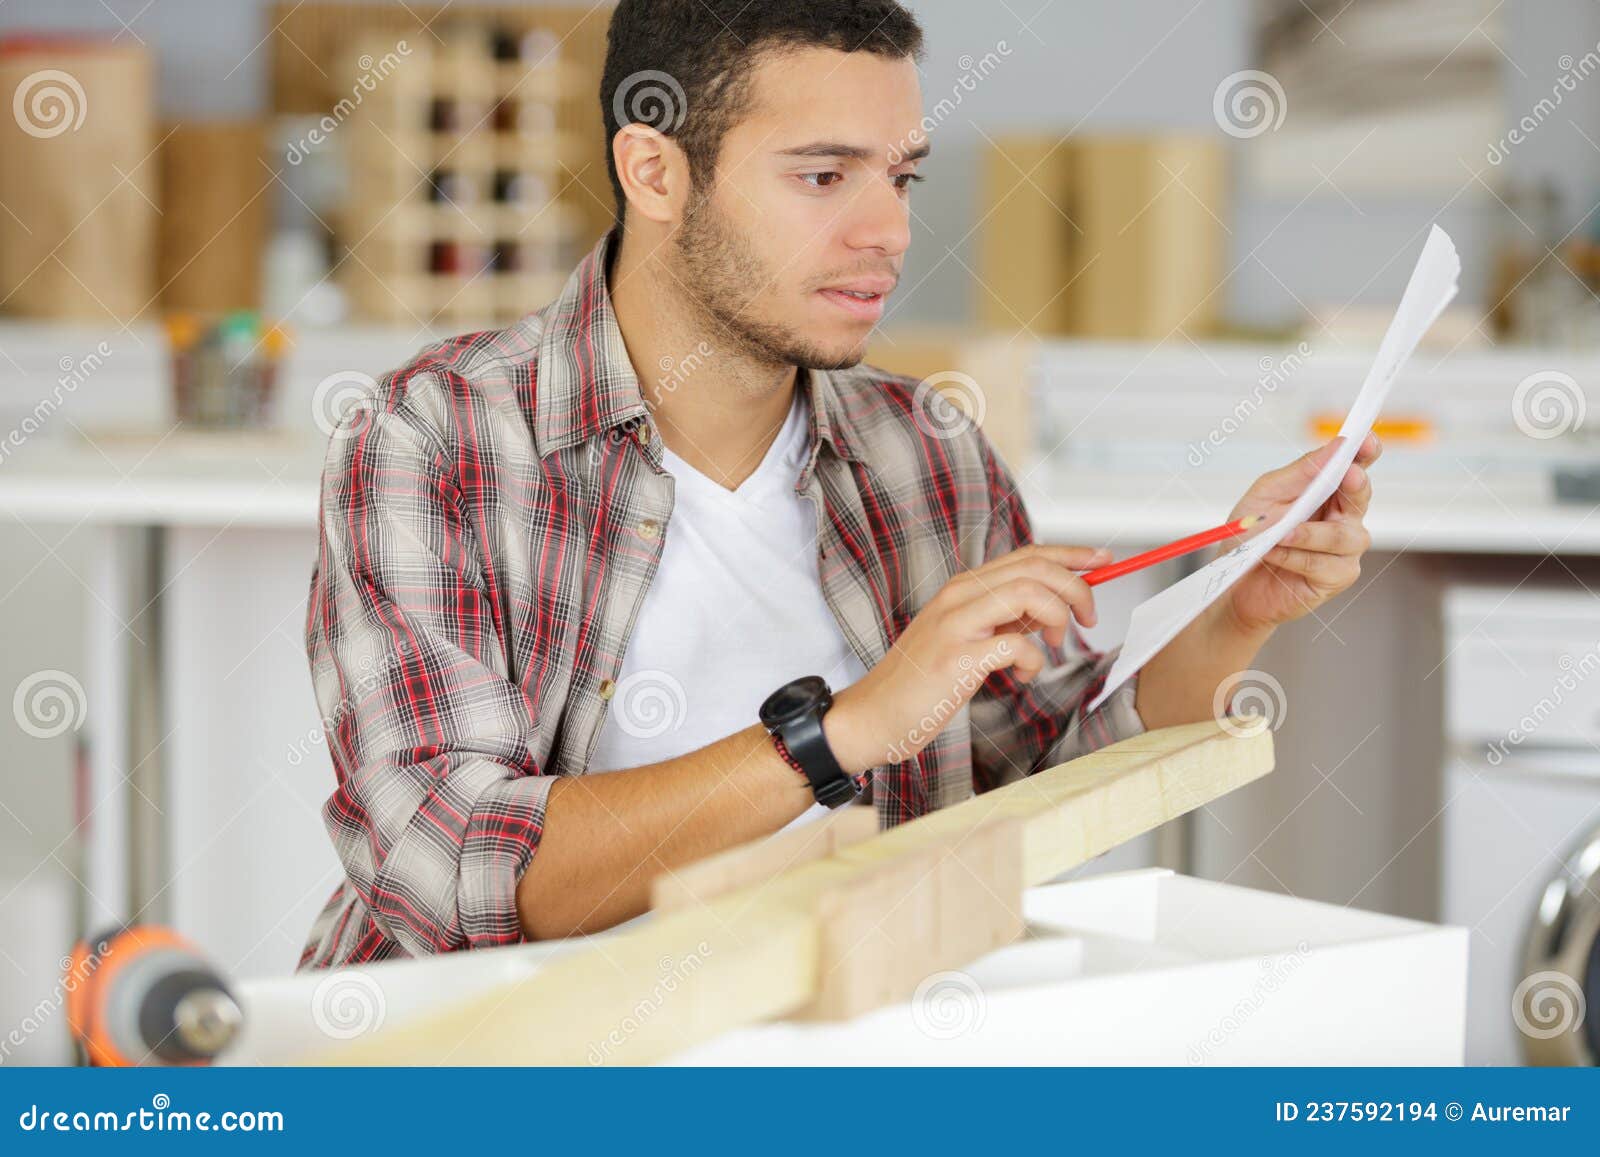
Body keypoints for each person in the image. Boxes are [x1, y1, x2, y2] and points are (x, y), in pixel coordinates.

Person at [298, 0, 1376, 968]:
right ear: (655, 171)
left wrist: (1236, 607)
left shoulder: (928, 452)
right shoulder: (433, 440)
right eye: (822, 176)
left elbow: (1036, 766)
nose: (891, 231)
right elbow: (454, 873)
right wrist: (839, 732)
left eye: (898, 176)